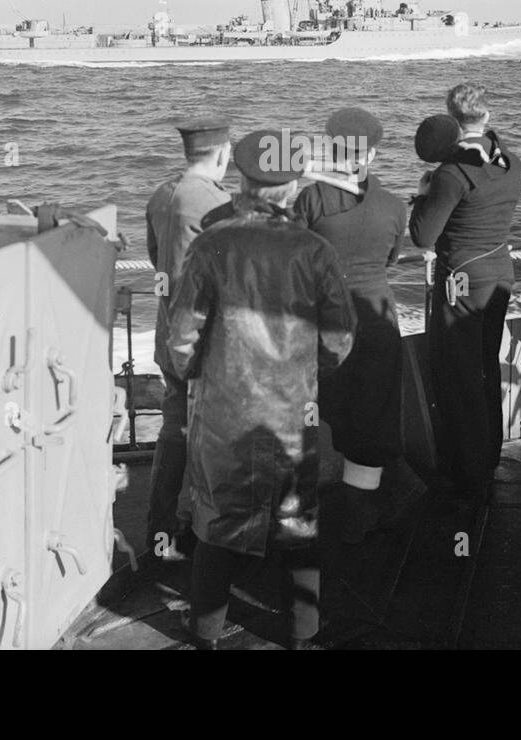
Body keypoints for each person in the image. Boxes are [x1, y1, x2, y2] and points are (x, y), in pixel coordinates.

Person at [167, 128, 357, 649]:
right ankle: (304, 633)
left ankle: (204, 633)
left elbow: (182, 338)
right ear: (294, 186)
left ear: (243, 179)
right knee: (297, 523)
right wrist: (309, 371)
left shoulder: (210, 245)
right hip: (293, 412)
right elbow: (340, 340)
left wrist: (198, 374)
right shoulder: (316, 251)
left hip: (225, 412)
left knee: (217, 523)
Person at [292, 107, 419, 543]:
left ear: (330, 149)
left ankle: (309, 501)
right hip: (378, 318)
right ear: (374, 154)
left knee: (323, 404)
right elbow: (389, 260)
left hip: (325, 319)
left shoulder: (311, 199)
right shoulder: (394, 206)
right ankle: (359, 507)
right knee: (373, 409)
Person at [409, 83, 521, 500]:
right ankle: (488, 458)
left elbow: (423, 236)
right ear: (487, 117)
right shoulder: (513, 164)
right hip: (499, 277)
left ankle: (467, 473)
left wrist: (423, 196)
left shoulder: (450, 174)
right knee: (484, 367)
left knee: (457, 376)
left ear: (451, 121)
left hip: (461, 282)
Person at [144, 119, 232, 564]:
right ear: (221, 153)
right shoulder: (220, 205)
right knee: (207, 440)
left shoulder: (161, 195)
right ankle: (200, 537)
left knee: (174, 431)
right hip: (206, 343)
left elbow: (155, 255)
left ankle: (159, 535)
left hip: (169, 335)